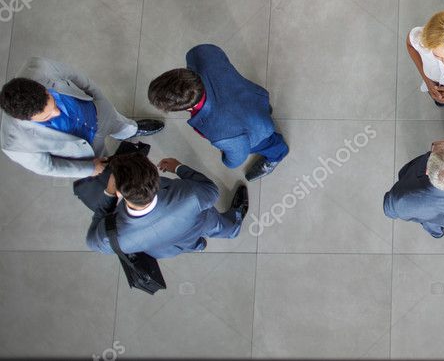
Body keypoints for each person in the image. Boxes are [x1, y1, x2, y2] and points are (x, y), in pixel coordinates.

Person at [147, 44, 289, 182]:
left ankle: (277, 154)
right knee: (263, 111)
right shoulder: (202, 55)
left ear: (180, 108)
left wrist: (226, 159)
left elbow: (237, 157)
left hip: (257, 130)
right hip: (254, 97)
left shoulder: (219, 132)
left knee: (269, 143)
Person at [0, 58, 163, 178]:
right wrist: (89, 169)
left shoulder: (38, 67)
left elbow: (74, 75)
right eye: (48, 116)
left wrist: (98, 96)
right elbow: (48, 166)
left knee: (120, 123)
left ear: (42, 89)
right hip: (87, 148)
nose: (57, 113)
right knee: (109, 166)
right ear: (26, 119)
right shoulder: (14, 143)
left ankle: (131, 130)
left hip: (97, 111)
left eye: (54, 103)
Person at [84, 153, 248, 258]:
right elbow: (211, 190)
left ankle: (198, 247)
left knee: (188, 244)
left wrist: (109, 195)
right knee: (216, 226)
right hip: (197, 223)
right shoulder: (190, 196)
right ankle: (233, 229)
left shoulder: (109, 240)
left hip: (166, 248)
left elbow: (92, 237)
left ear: (119, 192)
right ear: (156, 176)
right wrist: (179, 168)